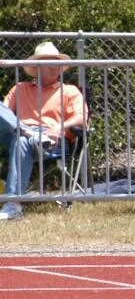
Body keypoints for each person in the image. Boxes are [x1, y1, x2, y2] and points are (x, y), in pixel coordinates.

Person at [0, 41, 89, 220]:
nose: (54, 66)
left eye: (56, 62)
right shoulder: (20, 89)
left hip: (52, 140)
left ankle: (13, 204)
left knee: (21, 141)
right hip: (21, 132)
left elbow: (81, 118)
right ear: (37, 67)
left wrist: (59, 126)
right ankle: (28, 132)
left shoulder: (70, 91)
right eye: (48, 62)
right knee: (18, 133)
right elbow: (4, 114)